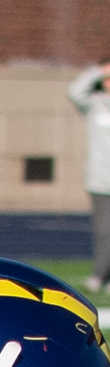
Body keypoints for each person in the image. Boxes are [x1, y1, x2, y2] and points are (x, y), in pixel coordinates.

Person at [69, 59, 110, 292]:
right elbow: (74, 92)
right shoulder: (94, 104)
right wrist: (97, 71)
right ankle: (99, 274)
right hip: (100, 180)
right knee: (104, 231)